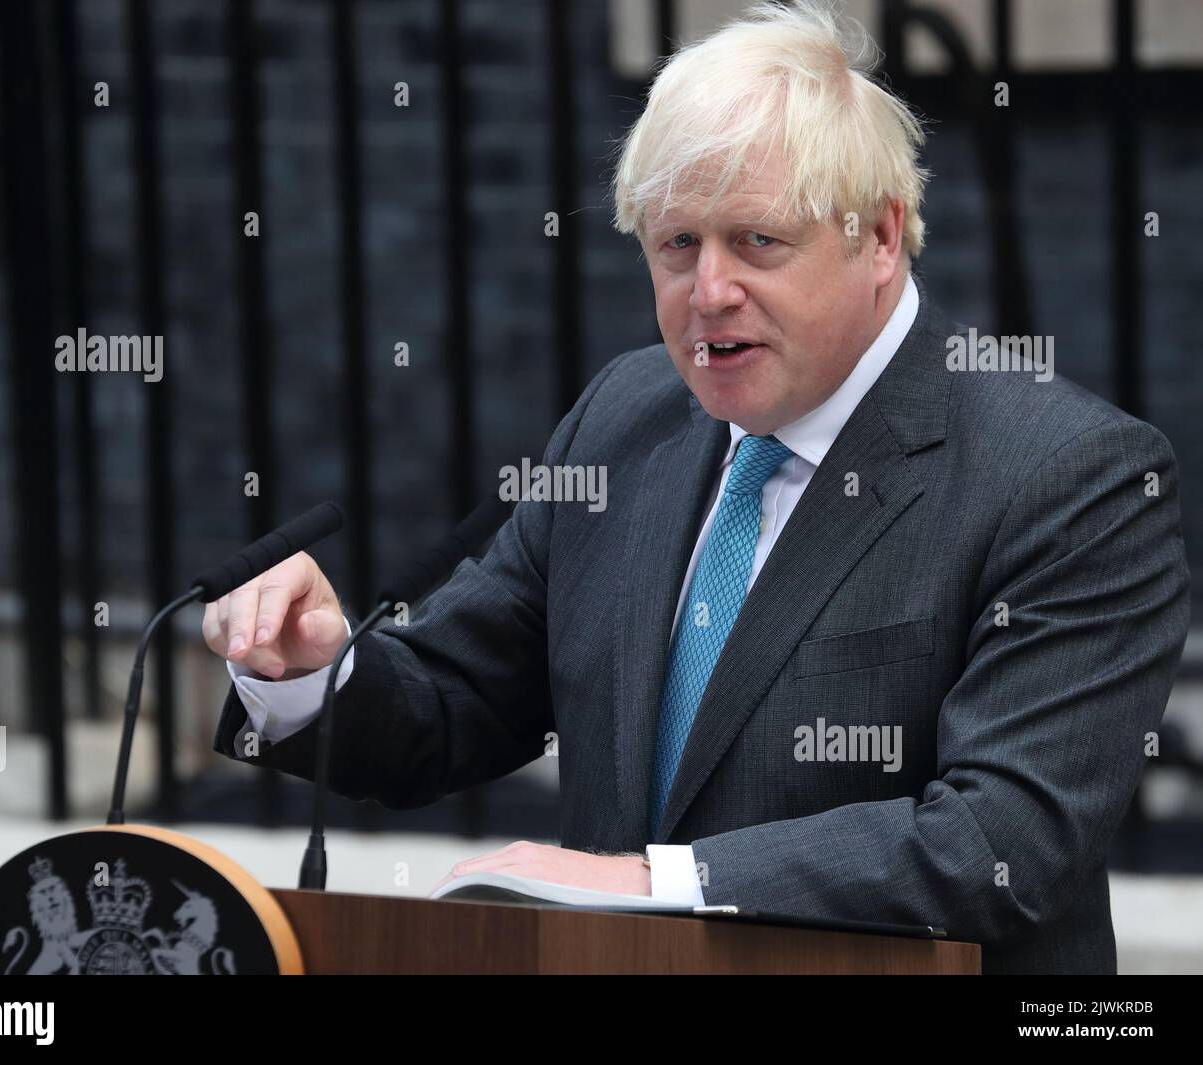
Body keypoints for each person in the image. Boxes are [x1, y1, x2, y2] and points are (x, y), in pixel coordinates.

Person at [202, 1, 1189, 973]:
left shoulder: (1069, 478)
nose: (707, 291)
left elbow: (998, 843)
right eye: (677, 245)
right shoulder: (627, 413)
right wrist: (309, 672)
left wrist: (659, 883)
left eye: (757, 242)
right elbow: (459, 700)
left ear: (882, 238)